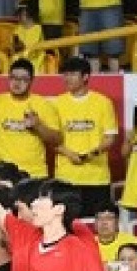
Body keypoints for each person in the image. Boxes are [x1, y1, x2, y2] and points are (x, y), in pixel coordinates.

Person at [0, 58, 61, 180]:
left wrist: (38, 126)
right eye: (13, 78)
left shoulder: (43, 105)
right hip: (1, 175)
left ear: (32, 81)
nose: (17, 83)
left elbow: (57, 140)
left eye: (23, 79)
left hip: (33, 175)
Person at [52, 58, 119, 216]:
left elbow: (110, 138)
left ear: (86, 77)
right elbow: (52, 139)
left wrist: (92, 153)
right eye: (65, 74)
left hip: (97, 179)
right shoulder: (57, 103)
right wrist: (70, 154)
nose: (67, 78)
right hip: (66, 178)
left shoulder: (103, 103)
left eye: (72, 74)